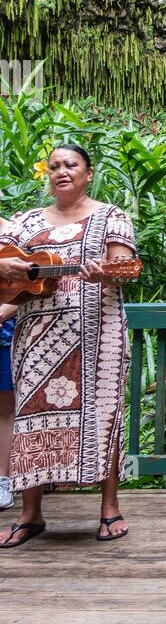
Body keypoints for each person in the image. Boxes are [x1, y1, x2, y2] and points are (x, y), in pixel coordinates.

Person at [0, 144, 138, 547]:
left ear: (88, 173)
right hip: (35, 339)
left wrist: (104, 275)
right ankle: (31, 514)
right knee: (30, 416)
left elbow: (123, 269)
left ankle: (109, 508)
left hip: (97, 335)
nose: (62, 171)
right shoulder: (25, 223)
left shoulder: (110, 216)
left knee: (104, 414)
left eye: (71, 165)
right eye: (55, 166)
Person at [0, 214, 16, 511]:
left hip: (3, 332)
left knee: (4, 407)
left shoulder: (15, 231)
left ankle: (3, 480)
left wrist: (4, 312)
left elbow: (37, 280)